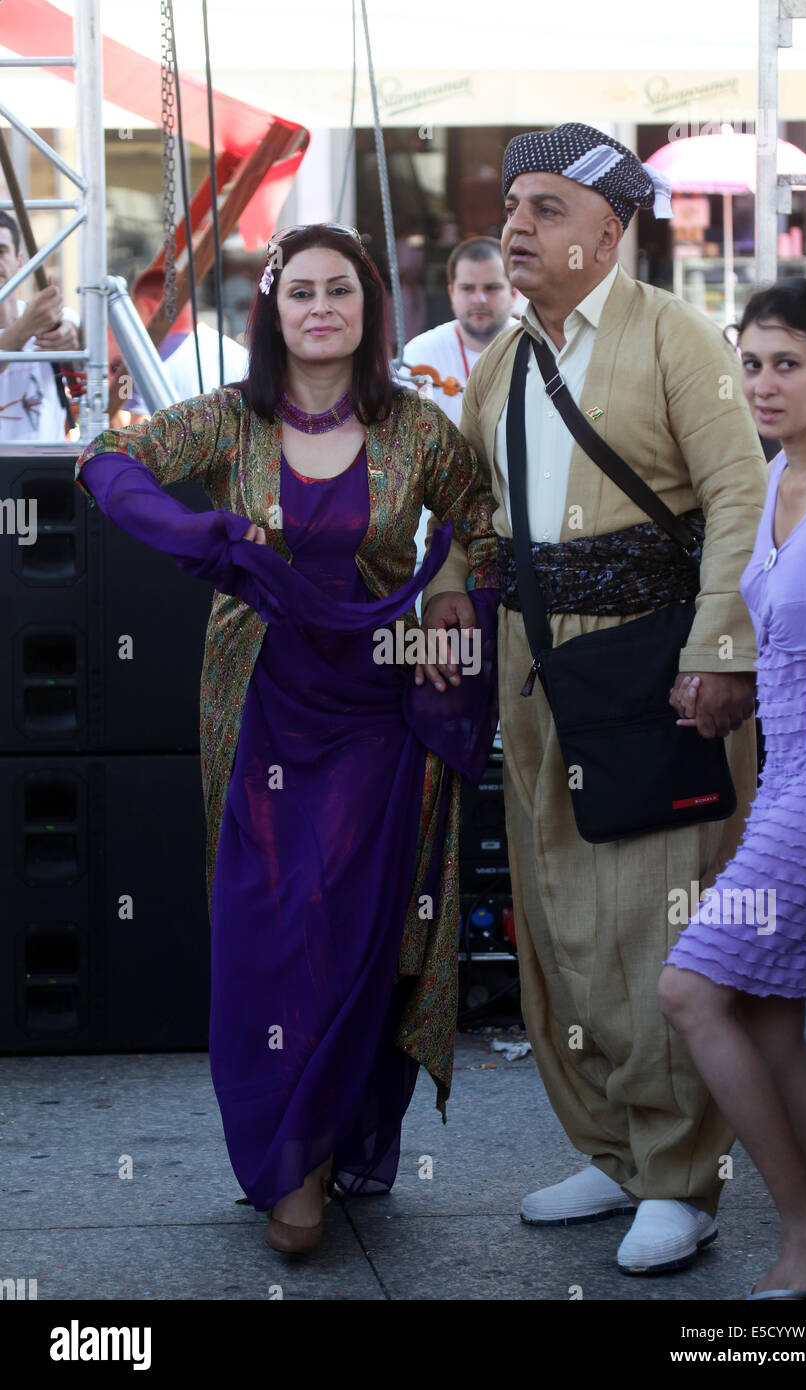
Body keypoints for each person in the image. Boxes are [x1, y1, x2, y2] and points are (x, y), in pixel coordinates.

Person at [74, 223, 499, 1255]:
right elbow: (106, 458)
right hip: (264, 707)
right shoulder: (229, 421)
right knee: (273, 931)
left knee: (353, 928)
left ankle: (315, 1153)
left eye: (340, 291)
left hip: (379, 717)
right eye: (299, 290)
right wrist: (201, 534)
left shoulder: (418, 429)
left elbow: (477, 515)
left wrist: (448, 594)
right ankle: (281, 1154)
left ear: (369, 308)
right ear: (271, 308)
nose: (320, 308)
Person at [419, 122, 768, 1276]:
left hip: (656, 670)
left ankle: (683, 1178)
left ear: (610, 231)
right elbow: (472, 509)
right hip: (535, 676)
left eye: (547, 208)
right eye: (513, 205)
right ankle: (612, 1150)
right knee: (559, 922)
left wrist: (722, 651)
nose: (517, 227)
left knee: (649, 918)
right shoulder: (505, 359)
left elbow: (738, 496)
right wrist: (458, 600)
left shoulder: (675, 336)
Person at [660, 274, 806, 1299]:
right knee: (771, 1019)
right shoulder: (773, 476)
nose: (766, 383)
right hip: (782, 771)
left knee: (690, 988)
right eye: (752, 363)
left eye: (789, 364)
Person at [403, 237, 515, 428]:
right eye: (467, 288)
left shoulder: (539, 349)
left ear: (514, 293)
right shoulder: (419, 355)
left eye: (492, 288)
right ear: (452, 293)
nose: (479, 299)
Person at [123, 266, 248, 412]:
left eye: (136, 313)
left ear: (148, 307)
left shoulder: (146, 363)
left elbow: (131, 428)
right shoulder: (240, 354)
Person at [0, 211, 74, 442]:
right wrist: (25, 328)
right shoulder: (34, 319)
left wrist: (72, 334)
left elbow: (81, 332)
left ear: (20, 261)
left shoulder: (49, 319)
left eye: (1, 251)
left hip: (42, 470)